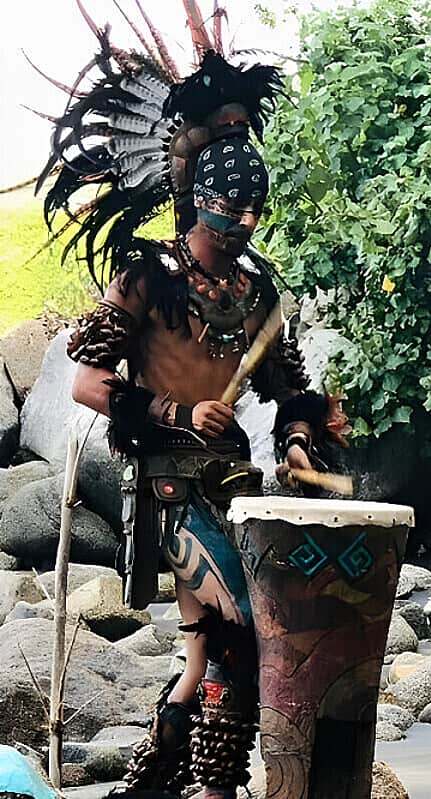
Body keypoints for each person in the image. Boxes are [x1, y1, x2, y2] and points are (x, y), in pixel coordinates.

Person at [38, 8, 345, 798]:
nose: (242, 231)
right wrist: (176, 414)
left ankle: (150, 789)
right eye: (229, 218)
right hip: (166, 486)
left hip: (233, 485)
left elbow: (290, 389)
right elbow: (86, 382)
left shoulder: (255, 289)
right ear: (200, 200)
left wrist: (303, 442)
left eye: (252, 219)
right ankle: (211, 790)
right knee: (241, 627)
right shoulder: (149, 277)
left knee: (212, 651)